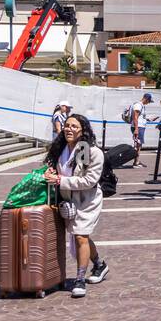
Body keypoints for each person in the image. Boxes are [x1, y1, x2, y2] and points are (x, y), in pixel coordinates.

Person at [44, 113, 109, 298]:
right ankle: (99, 264)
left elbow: (87, 180)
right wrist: (51, 171)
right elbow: (56, 169)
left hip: (87, 200)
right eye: (67, 125)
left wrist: (59, 180)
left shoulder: (88, 150)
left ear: (83, 130)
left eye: (74, 126)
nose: (69, 129)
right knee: (80, 236)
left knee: (80, 236)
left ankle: (80, 279)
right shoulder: (61, 148)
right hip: (67, 199)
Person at [129, 92, 153, 166]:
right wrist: (136, 129)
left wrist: (149, 119)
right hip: (138, 127)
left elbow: (140, 117)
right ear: (146, 99)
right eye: (149, 101)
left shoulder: (141, 105)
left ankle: (136, 161)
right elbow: (135, 117)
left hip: (139, 127)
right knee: (138, 145)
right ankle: (136, 162)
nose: (149, 103)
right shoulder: (138, 105)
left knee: (138, 145)